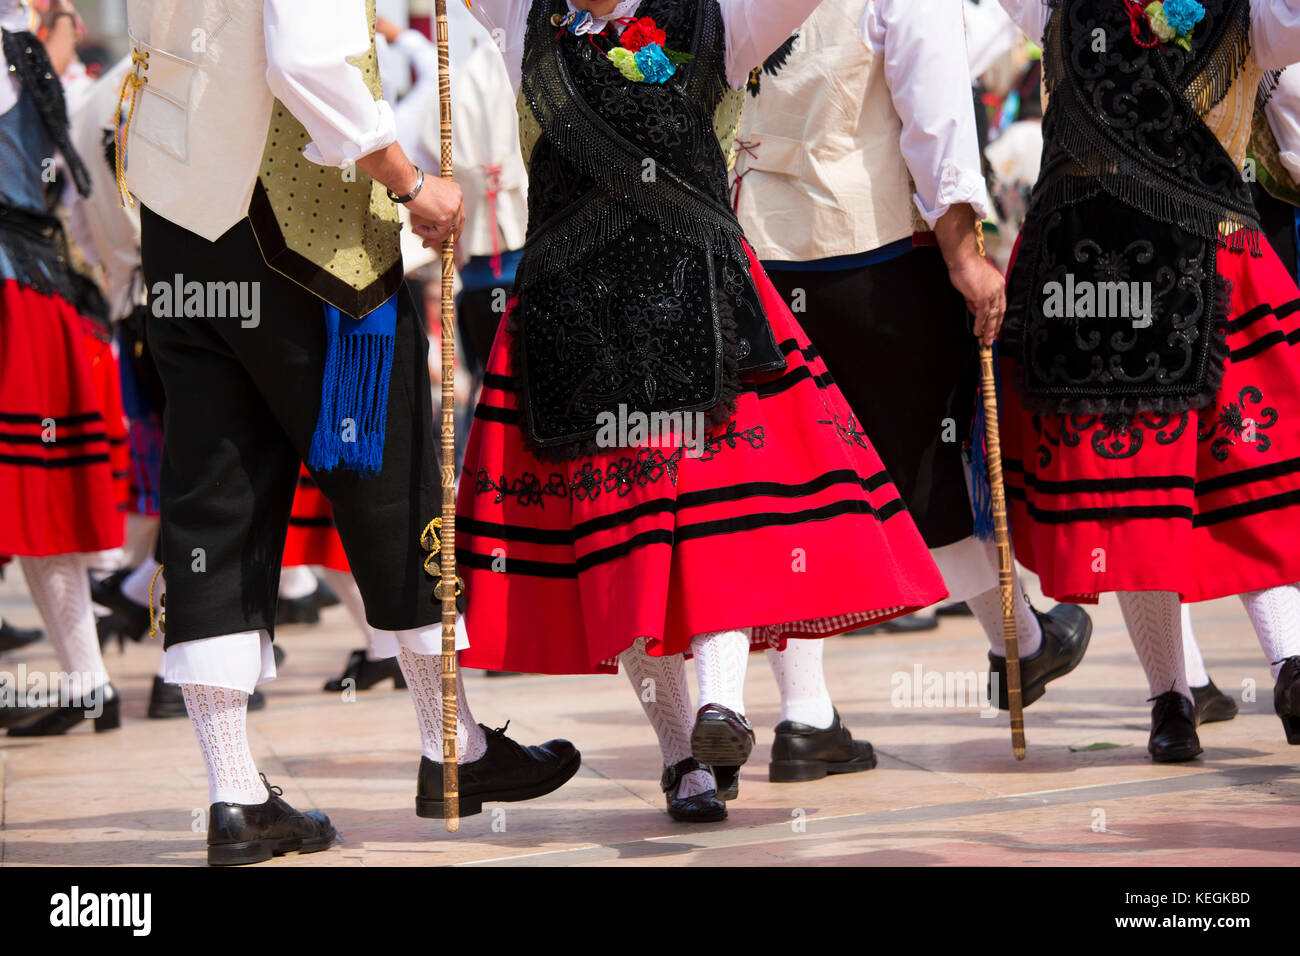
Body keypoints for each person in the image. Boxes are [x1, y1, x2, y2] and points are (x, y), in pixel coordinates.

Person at [457, 0, 948, 822]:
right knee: (625, 555)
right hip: (576, 326)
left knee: (721, 525)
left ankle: (718, 714)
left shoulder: (725, 12)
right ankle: (684, 757)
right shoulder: (521, 16)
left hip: (704, 315)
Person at [121, 0, 580, 865]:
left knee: (212, 505)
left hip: (183, 229)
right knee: (393, 489)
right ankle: (454, 750)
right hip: (302, 239)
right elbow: (309, 60)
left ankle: (234, 795)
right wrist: (410, 180)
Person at [732, 0, 1094, 770]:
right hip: (873, 253)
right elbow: (937, 126)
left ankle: (805, 717)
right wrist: (967, 256)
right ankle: (1020, 641)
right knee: (923, 483)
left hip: (759, 253)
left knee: (792, 493)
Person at [997, 0, 1300, 760]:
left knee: (1153, 493)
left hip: (1108, 276)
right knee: (1229, 479)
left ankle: (1192, 696)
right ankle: (1254, 675)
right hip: (1150, 271)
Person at [0, 0, 124, 735]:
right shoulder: (24, 50)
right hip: (33, 285)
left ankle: (87, 680)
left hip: (18, 291)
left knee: (33, 503)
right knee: (33, 503)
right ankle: (87, 681)